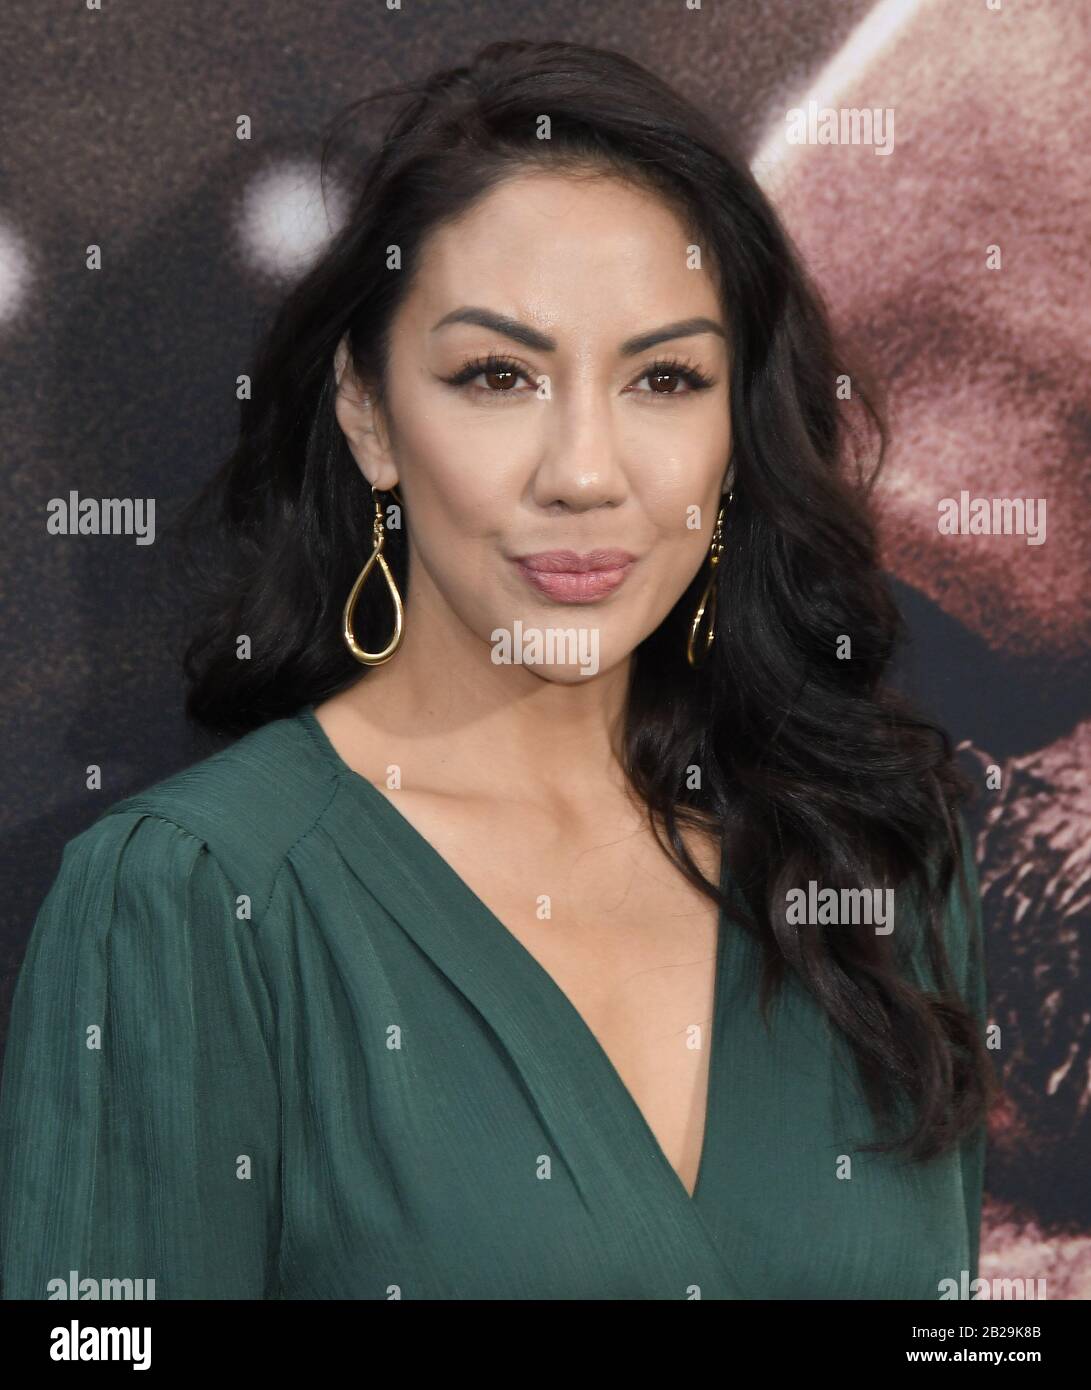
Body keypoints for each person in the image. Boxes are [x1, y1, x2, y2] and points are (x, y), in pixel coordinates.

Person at [0, 39, 995, 1300]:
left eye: (665, 378)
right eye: (496, 375)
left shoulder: (880, 865)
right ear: (367, 412)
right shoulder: (193, 901)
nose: (583, 471)